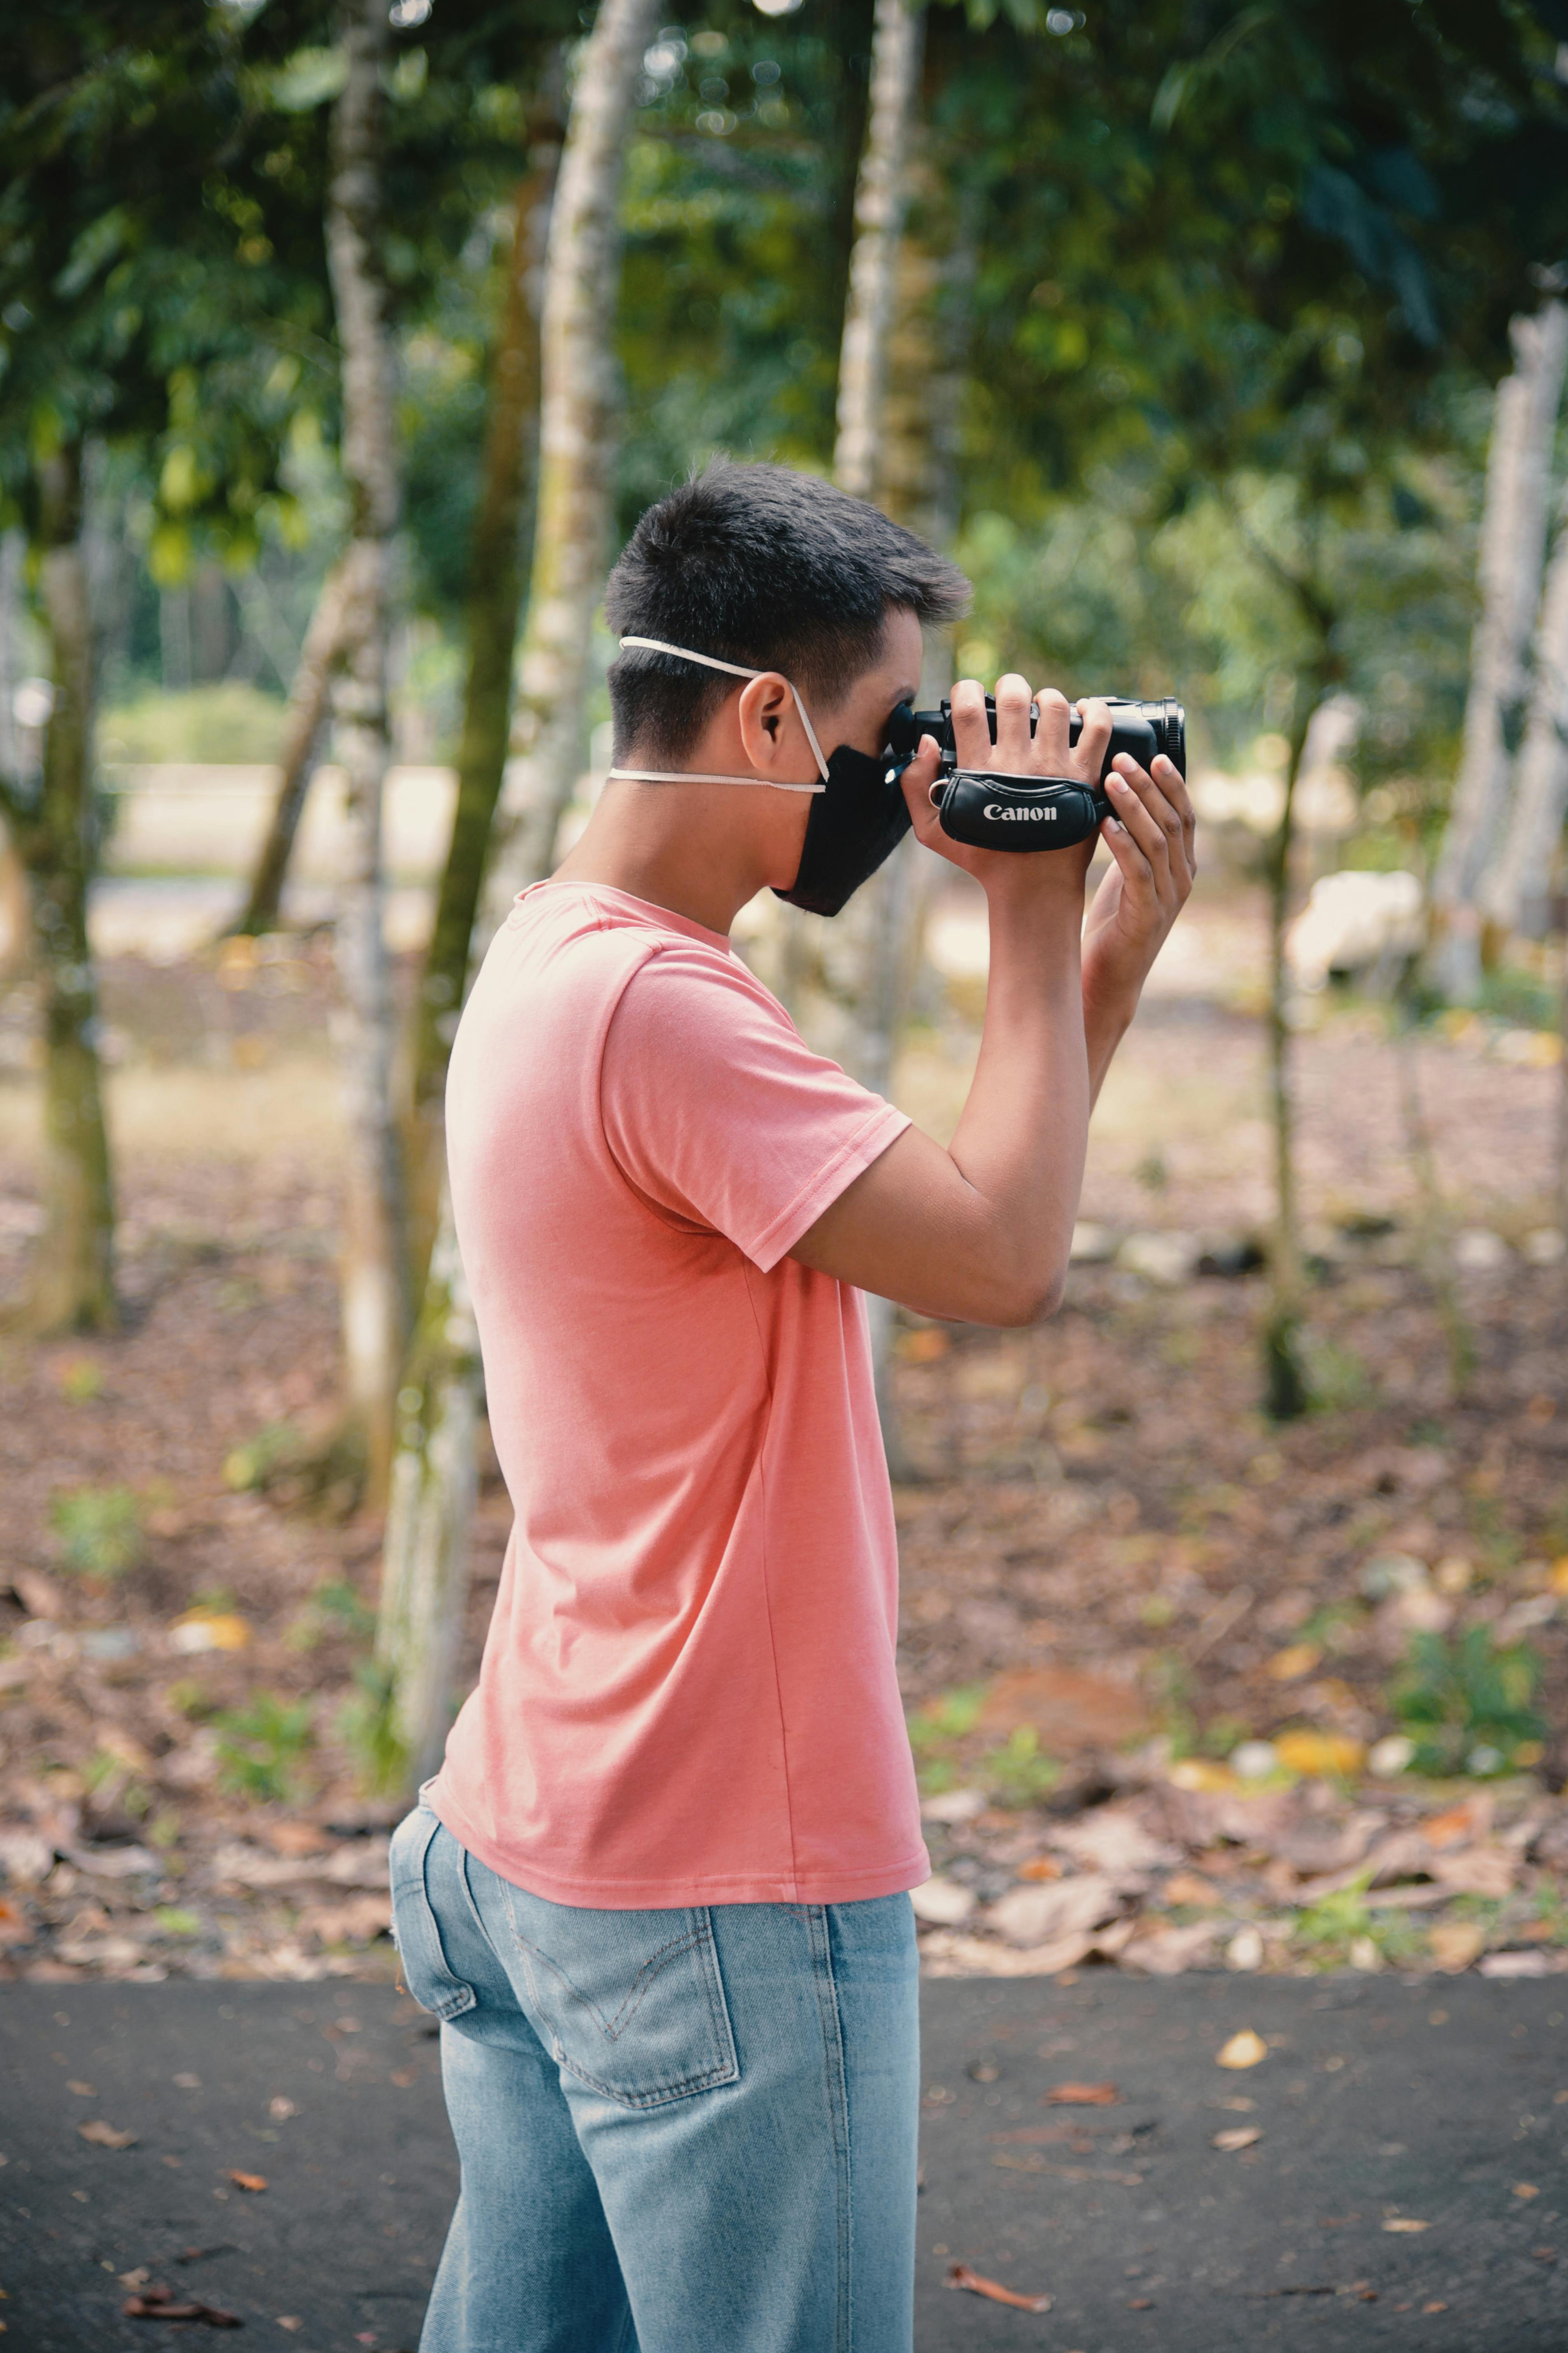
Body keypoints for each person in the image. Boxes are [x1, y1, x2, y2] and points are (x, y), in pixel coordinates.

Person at [389, 460, 1196, 2353]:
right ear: (764, 714)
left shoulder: (563, 960)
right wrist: (1023, 906)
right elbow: (1006, 1267)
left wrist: (1095, 958)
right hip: (717, 1881)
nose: (907, 782)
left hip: (546, 1830)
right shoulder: (665, 1013)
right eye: (884, 728)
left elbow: (957, 1210)